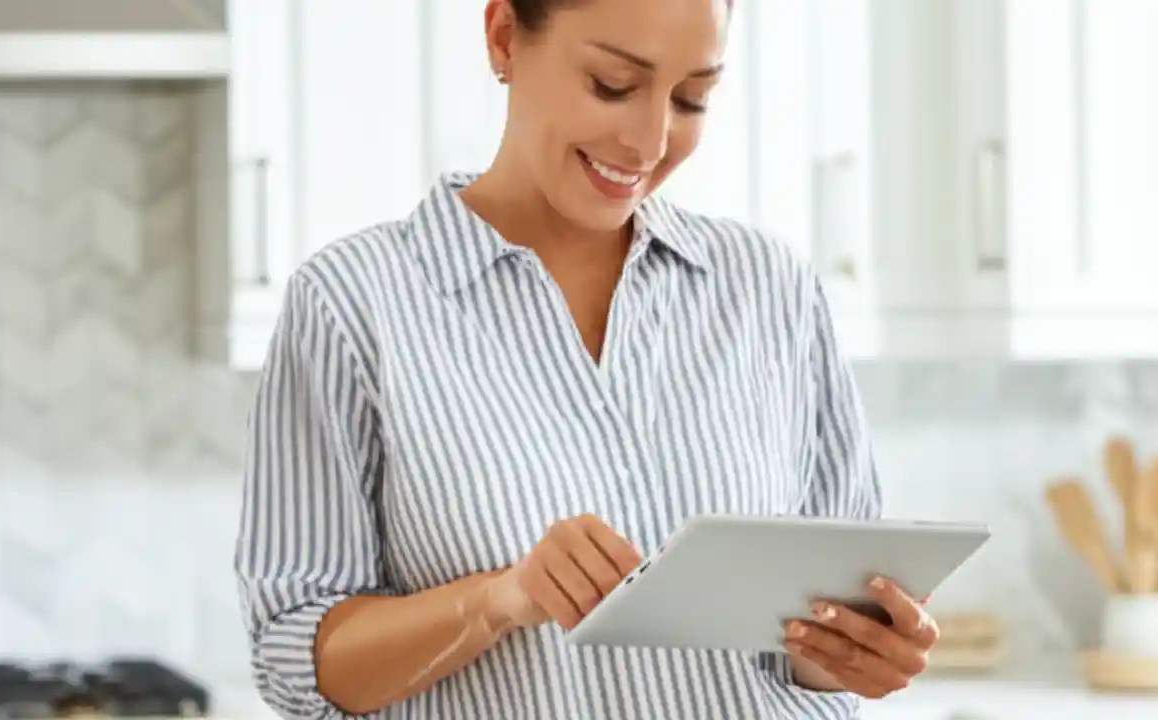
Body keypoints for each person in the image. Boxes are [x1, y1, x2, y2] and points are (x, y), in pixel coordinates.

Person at [234, 0, 939, 717]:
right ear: (505, 36)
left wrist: (852, 654)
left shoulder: (770, 288)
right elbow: (300, 659)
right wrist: (499, 599)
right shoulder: (354, 303)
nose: (650, 141)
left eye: (692, 97)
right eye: (612, 85)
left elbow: (823, 627)